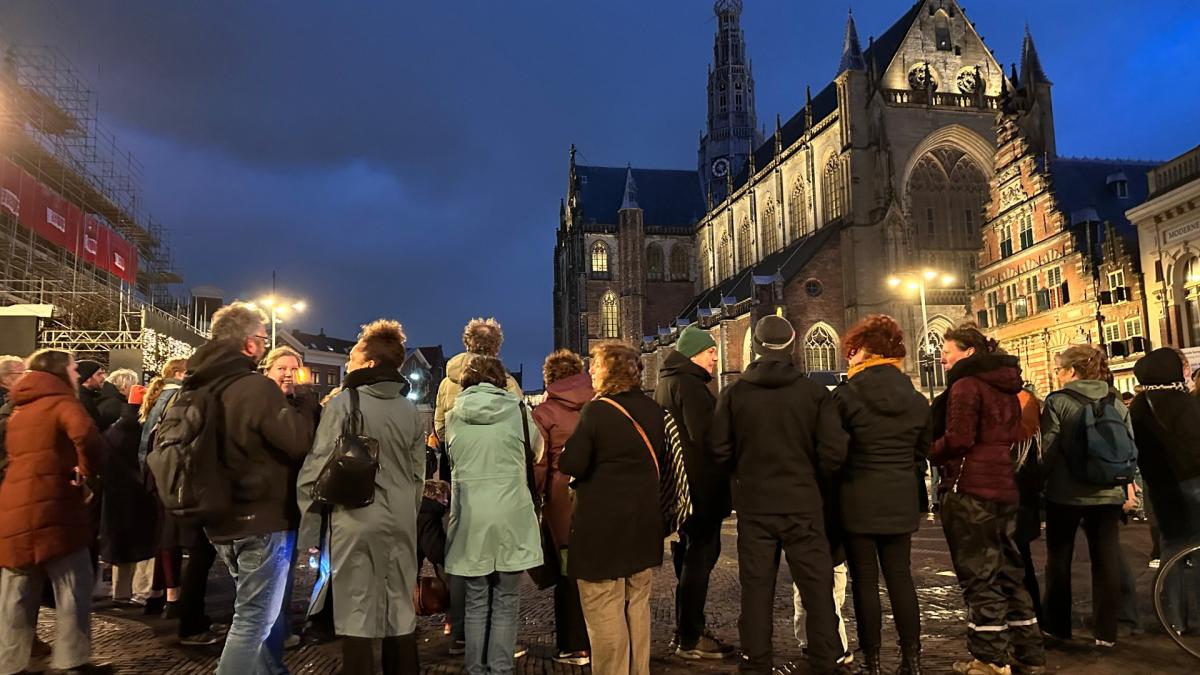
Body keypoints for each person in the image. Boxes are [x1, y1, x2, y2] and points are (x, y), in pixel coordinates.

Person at [710, 315, 848, 675]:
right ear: (791, 346)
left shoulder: (734, 394)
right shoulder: (815, 393)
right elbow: (834, 452)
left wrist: (743, 478)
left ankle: (756, 663)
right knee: (817, 590)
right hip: (803, 504)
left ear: (755, 346)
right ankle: (823, 662)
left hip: (755, 507)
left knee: (756, 590)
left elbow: (719, 450)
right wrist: (811, 479)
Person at [190, 301, 313, 675]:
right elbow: (296, 442)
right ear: (247, 344)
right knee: (253, 621)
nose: (263, 343)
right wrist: (306, 402)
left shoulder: (201, 383)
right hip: (258, 519)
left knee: (250, 611)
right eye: (261, 336)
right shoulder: (254, 388)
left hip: (219, 517)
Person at [298, 319, 424, 675]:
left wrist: (309, 529)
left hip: (354, 518)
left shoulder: (343, 403)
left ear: (369, 364)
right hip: (399, 519)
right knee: (399, 606)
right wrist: (405, 512)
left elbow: (315, 468)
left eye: (352, 359)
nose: (348, 365)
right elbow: (418, 476)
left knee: (357, 609)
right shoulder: (410, 411)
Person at [930, 324, 1044, 675]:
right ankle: (1029, 653)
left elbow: (960, 439)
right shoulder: (1009, 387)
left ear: (968, 353)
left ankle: (991, 659)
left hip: (972, 487)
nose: (942, 358)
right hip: (1004, 486)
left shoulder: (966, 386)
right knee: (1010, 570)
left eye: (947, 351)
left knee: (980, 575)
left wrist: (930, 450)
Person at [0, 349, 112, 674]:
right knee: (73, 583)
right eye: (74, 369)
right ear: (61, 371)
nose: (77, 375)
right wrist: (87, 471)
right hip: (54, 506)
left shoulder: (20, 407)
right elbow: (87, 438)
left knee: (16, 592)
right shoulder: (62, 401)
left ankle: (10, 663)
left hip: (14, 506)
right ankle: (73, 658)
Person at [832, 315, 929, 675]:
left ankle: (872, 661)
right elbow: (923, 449)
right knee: (901, 577)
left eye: (852, 352)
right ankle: (912, 660)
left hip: (858, 497)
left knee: (865, 580)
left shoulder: (846, 395)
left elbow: (832, 450)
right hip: (900, 497)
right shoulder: (915, 397)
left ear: (862, 351)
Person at [561, 343, 664, 675]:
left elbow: (572, 461)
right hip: (643, 526)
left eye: (596, 365)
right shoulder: (653, 409)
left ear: (612, 371)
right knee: (637, 610)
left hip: (602, 533)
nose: (590, 370)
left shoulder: (598, 411)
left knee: (604, 612)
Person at [444, 354, 543, 675]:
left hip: (471, 517)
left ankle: (475, 668)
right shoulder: (517, 411)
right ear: (502, 381)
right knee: (506, 600)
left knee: (475, 601)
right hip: (511, 516)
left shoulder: (453, 416)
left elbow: (450, 458)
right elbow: (537, 450)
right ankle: (500, 669)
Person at [433, 317, 525, 654]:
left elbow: (441, 429)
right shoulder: (507, 384)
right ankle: (496, 639)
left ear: (467, 342)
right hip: (500, 480)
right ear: (497, 345)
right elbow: (523, 433)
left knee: (462, 555)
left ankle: (460, 634)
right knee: (500, 561)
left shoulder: (448, 381)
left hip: (460, 477)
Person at [652, 325, 734, 660]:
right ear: (693, 354)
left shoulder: (666, 383)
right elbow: (709, 439)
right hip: (702, 490)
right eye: (710, 351)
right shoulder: (692, 387)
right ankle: (690, 636)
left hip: (681, 489)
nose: (716, 357)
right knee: (701, 558)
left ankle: (686, 630)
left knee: (688, 558)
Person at [1039, 345, 1129, 647]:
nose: (1057, 374)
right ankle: (1106, 633)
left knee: (1059, 560)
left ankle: (1057, 627)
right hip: (1108, 492)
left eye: (1058, 369)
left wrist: (1037, 480)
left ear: (1072, 372)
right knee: (1106, 559)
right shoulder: (1116, 400)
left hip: (1066, 494)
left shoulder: (1058, 402)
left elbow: (1048, 450)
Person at [1129, 348, 1200, 632]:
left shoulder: (1138, 407)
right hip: (1194, 482)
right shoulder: (1188, 404)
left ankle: (1174, 618)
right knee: (1198, 546)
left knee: (1172, 547)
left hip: (1159, 486)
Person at [531, 349, 593, 666]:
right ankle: (601, 638)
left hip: (562, 503)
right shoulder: (599, 405)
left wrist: (539, 497)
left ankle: (574, 644)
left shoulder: (544, 413)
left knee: (568, 572)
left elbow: (540, 464)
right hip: (597, 497)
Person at [261, 346, 319, 651]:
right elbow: (300, 443)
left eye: (293, 369)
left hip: (291, 500)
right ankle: (273, 633)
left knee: (283, 568)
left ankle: (278, 624)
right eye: (281, 368)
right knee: (272, 569)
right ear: (268, 371)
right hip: (270, 499)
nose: (287, 374)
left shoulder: (299, 405)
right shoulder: (267, 406)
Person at [100, 383, 161, 613]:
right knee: (145, 544)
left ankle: (120, 591)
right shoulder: (145, 429)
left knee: (120, 544)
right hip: (140, 493)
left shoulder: (113, 429)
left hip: (115, 494)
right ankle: (142, 591)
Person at [1013, 385, 1044, 628]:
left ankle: (1022, 624)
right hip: (1026, 495)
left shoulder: (1002, 400)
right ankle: (1036, 621)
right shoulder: (1028, 400)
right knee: (1024, 562)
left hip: (1005, 496)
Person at [75, 360, 106, 428]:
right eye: (99, 374)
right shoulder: (83, 399)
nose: (104, 377)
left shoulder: (87, 396)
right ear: (87, 378)